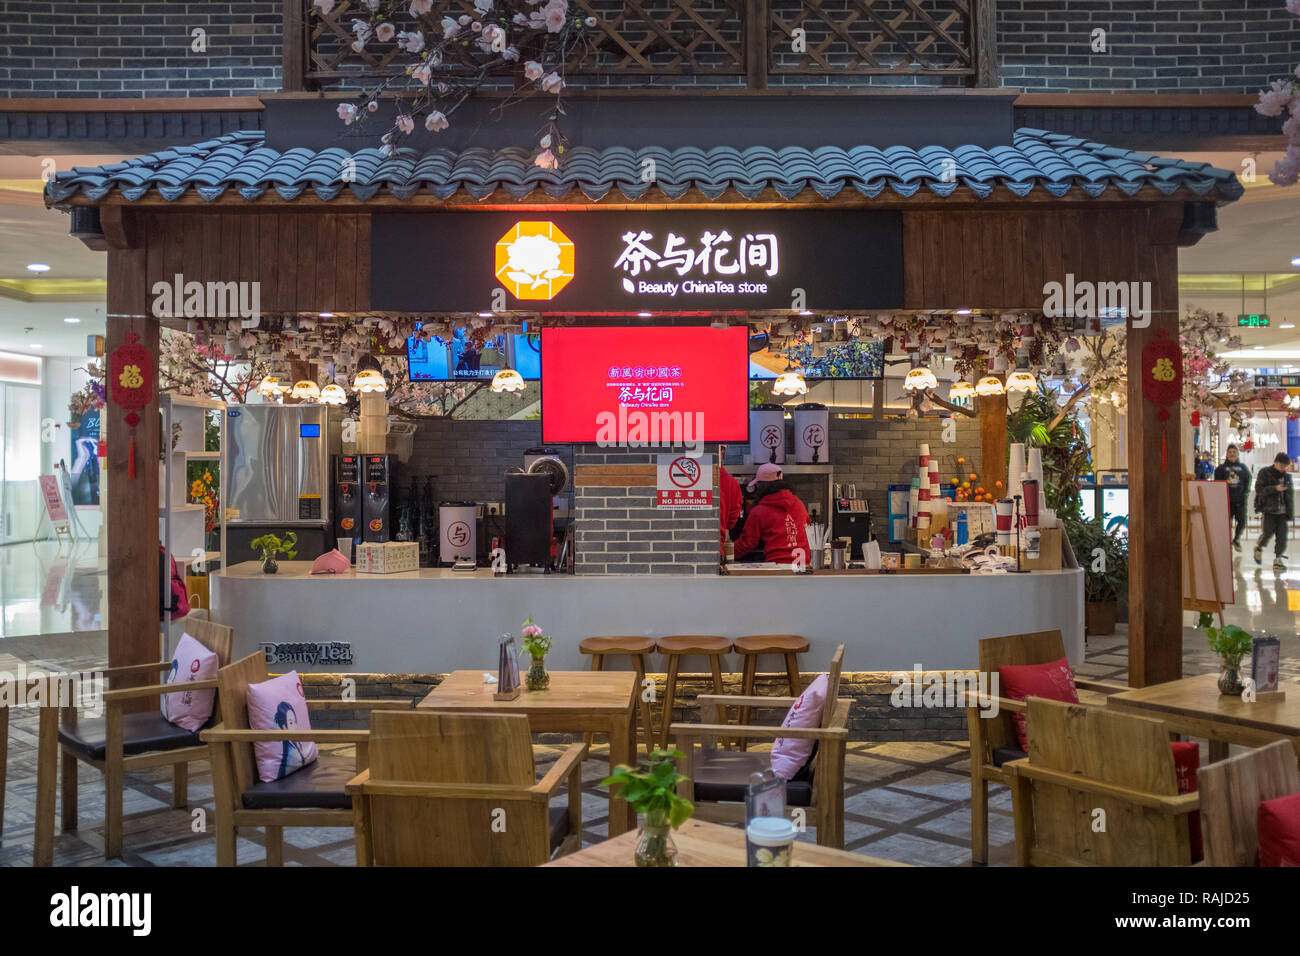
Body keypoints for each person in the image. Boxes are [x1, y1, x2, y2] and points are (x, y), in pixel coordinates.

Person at [733, 462, 811, 565]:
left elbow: (747, 543)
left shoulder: (759, 511)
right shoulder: (798, 503)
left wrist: (725, 553)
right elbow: (809, 528)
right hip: (803, 565)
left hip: (777, 568)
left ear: (761, 486)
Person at [1254, 452, 1294, 572]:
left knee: (1282, 536)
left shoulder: (1287, 477)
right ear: (1275, 462)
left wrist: (1289, 512)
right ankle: (1259, 548)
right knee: (1267, 533)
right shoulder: (1265, 473)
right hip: (1269, 510)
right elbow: (1259, 490)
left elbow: (1289, 495)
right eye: (1281, 466)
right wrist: (1275, 489)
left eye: (1285, 466)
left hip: (1283, 512)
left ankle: (1278, 559)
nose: (1283, 468)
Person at [1213, 444, 1251, 551]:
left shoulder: (1243, 468)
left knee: (1242, 522)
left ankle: (1236, 539)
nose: (1232, 454)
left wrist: (1245, 492)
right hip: (1226, 502)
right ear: (1227, 454)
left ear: (1237, 454)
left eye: (1234, 452)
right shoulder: (1220, 468)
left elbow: (1248, 479)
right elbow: (1217, 484)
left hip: (1240, 501)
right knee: (1226, 524)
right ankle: (1225, 543)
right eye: (1230, 452)